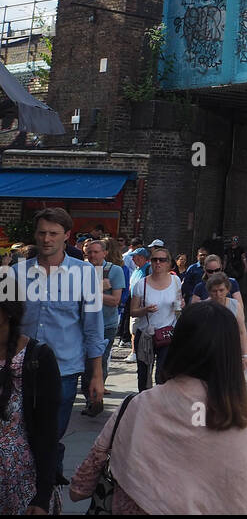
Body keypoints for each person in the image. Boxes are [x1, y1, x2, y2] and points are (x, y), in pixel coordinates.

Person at [70, 300, 247, 514]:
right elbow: (241, 502)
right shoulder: (238, 422)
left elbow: (80, 487)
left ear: (179, 344)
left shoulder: (137, 406)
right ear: (230, 354)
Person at [14, 207, 105, 485]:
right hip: (21, 367)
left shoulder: (85, 273)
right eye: (41, 232)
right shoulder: (15, 273)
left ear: (66, 236)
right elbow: (6, 323)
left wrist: (97, 374)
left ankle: (46, 489)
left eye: (53, 233)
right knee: (20, 433)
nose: (46, 239)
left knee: (52, 433)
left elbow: (93, 325)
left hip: (64, 369)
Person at [0, 289, 62, 514]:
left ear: (7, 311)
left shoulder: (37, 357)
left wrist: (42, 495)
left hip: (22, 485)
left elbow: (48, 432)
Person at [129, 245, 183, 392]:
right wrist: (145, 310)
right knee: (144, 374)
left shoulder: (176, 281)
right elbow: (133, 311)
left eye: (162, 260)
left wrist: (181, 305)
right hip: (146, 334)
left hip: (167, 334)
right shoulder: (141, 284)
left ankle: (161, 405)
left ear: (169, 263)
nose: (158, 263)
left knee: (163, 374)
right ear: (150, 262)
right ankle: (144, 403)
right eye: (154, 260)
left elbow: (179, 302)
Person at [82, 239, 124, 415]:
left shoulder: (115, 271)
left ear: (105, 253)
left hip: (107, 324)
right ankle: (89, 399)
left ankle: (96, 398)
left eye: (96, 252)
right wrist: (99, 290)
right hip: (84, 324)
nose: (92, 255)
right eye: (89, 252)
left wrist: (92, 293)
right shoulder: (81, 270)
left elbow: (115, 301)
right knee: (85, 365)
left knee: (99, 362)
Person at [202, 272, 247, 390]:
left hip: (231, 352)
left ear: (227, 290)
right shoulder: (204, 307)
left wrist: (245, 355)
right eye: (214, 291)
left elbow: (242, 331)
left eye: (221, 290)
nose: (218, 294)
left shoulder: (235, 305)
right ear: (209, 291)